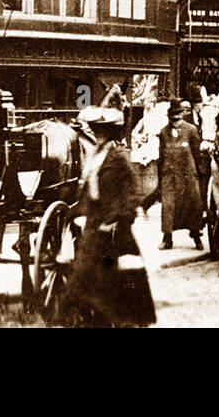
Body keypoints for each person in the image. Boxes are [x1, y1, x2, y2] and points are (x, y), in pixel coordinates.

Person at [64, 106, 156, 327]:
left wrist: (116, 218)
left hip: (115, 228)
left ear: (110, 134)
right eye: (95, 130)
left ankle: (126, 321)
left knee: (119, 279)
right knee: (86, 275)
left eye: (102, 131)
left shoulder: (119, 158)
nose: (97, 135)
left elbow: (132, 193)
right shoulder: (94, 157)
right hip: (95, 223)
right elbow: (88, 189)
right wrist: (77, 214)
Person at [157, 102, 205, 251]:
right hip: (169, 176)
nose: (175, 121)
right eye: (172, 118)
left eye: (178, 117)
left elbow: (197, 153)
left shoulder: (191, 130)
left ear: (183, 116)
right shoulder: (164, 132)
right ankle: (167, 239)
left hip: (188, 176)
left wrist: (199, 172)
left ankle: (196, 236)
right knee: (168, 206)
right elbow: (161, 156)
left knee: (193, 204)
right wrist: (161, 177)